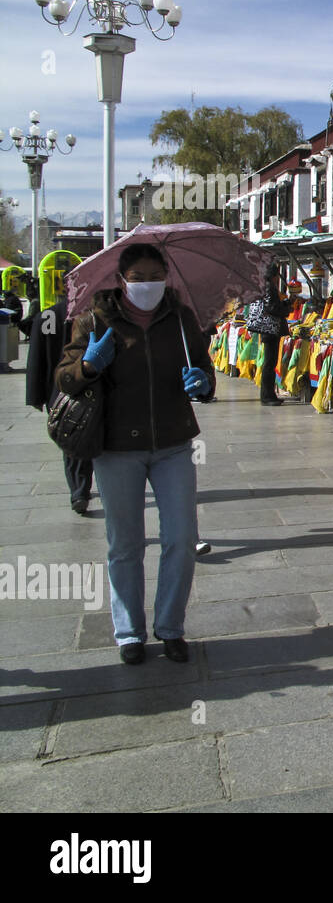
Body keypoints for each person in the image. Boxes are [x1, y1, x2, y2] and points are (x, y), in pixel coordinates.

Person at [55, 243, 215, 666]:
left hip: (173, 443)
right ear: (122, 280)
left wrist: (203, 383)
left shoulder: (180, 319)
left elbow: (204, 367)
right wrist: (88, 365)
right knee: (124, 544)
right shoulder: (95, 320)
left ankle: (170, 628)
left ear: (167, 276)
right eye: (138, 277)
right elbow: (65, 378)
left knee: (181, 539)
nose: (148, 284)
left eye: (154, 276)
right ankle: (128, 632)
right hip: (116, 448)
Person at [23, 297, 95, 514]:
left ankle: (79, 490)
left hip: (58, 392)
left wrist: (35, 395)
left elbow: (36, 359)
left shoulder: (48, 315)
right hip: (90, 386)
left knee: (73, 441)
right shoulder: (94, 315)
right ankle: (83, 489)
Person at [248, 267, 291, 406]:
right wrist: (287, 309)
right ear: (274, 276)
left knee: (269, 362)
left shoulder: (261, 285)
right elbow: (272, 307)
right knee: (269, 363)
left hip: (266, 329)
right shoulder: (269, 287)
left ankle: (269, 394)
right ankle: (267, 396)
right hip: (270, 328)